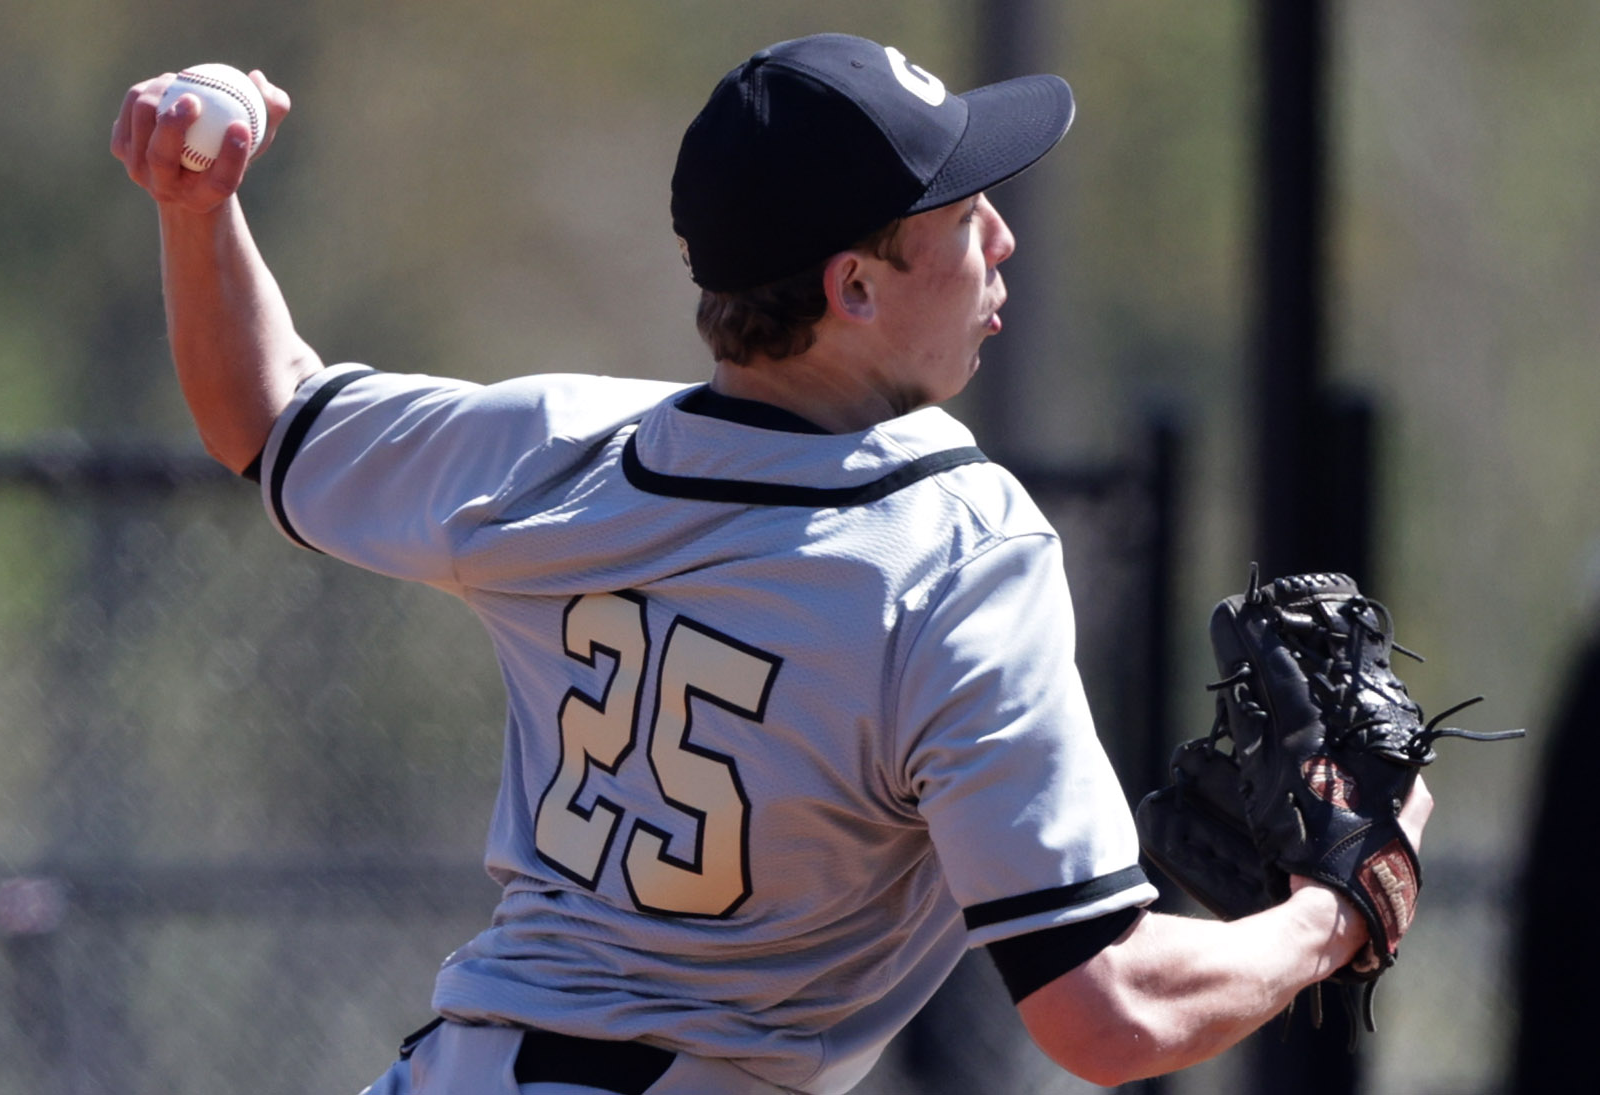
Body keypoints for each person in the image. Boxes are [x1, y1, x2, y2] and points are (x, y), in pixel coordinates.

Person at [112, 33, 1433, 1094]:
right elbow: (1109, 1016)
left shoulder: (561, 450)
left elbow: (268, 416)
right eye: (964, 213)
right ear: (856, 288)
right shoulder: (953, 552)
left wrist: (196, 208)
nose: (1003, 239)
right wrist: (1342, 908)